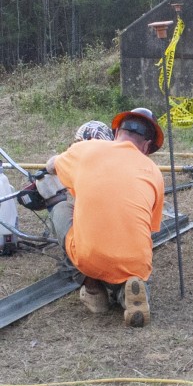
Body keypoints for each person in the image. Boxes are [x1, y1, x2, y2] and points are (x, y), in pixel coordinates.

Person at [42, 106, 166, 328]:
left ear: (116, 132)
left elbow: (52, 164)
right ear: (146, 146)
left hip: (91, 256)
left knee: (62, 209)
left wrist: (52, 166)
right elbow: (150, 227)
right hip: (136, 260)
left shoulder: (87, 149)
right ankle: (130, 293)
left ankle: (94, 291)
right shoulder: (154, 172)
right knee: (127, 267)